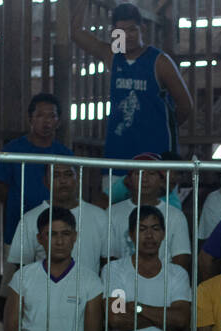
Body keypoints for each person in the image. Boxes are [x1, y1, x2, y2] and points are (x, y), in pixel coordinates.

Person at [70, 1, 194, 200]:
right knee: (115, 220)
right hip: (119, 155)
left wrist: (160, 127)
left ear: (142, 28)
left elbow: (185, 106)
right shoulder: (112, 56)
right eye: (121, 31)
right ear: (114, 32)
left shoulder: (159, 61)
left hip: (156, 158)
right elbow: (75, 32)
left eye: (132, 30)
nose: (127, 35)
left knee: (159, 219)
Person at [0, 93, 74, 255]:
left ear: (58, 121)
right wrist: (20, 205)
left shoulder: (65, 155)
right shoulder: (12, 151)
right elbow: (1, 188)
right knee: (16, 278)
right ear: (30, 119)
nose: (46, 121)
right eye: (40, 116)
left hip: (54, 233)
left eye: (52, 116)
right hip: (18, 227)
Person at [7, 162, 109, 272]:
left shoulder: (99, 216)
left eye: (68, 174)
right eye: (55, 175)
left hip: (91, 289)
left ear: (78, 178)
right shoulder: (29, 219)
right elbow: (21, 266)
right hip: (43, 289)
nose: (63, 181)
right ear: (46, 182)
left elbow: (108, 262)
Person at [107, 155, 192, 268]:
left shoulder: (175, 215)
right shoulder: (112, 212)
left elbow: (181, 258)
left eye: (151, 174)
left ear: (161, 181)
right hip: (124, 282)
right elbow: (109, 257)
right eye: (139, 173)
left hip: (164, 283)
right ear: (129, 180)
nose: (145, 179)